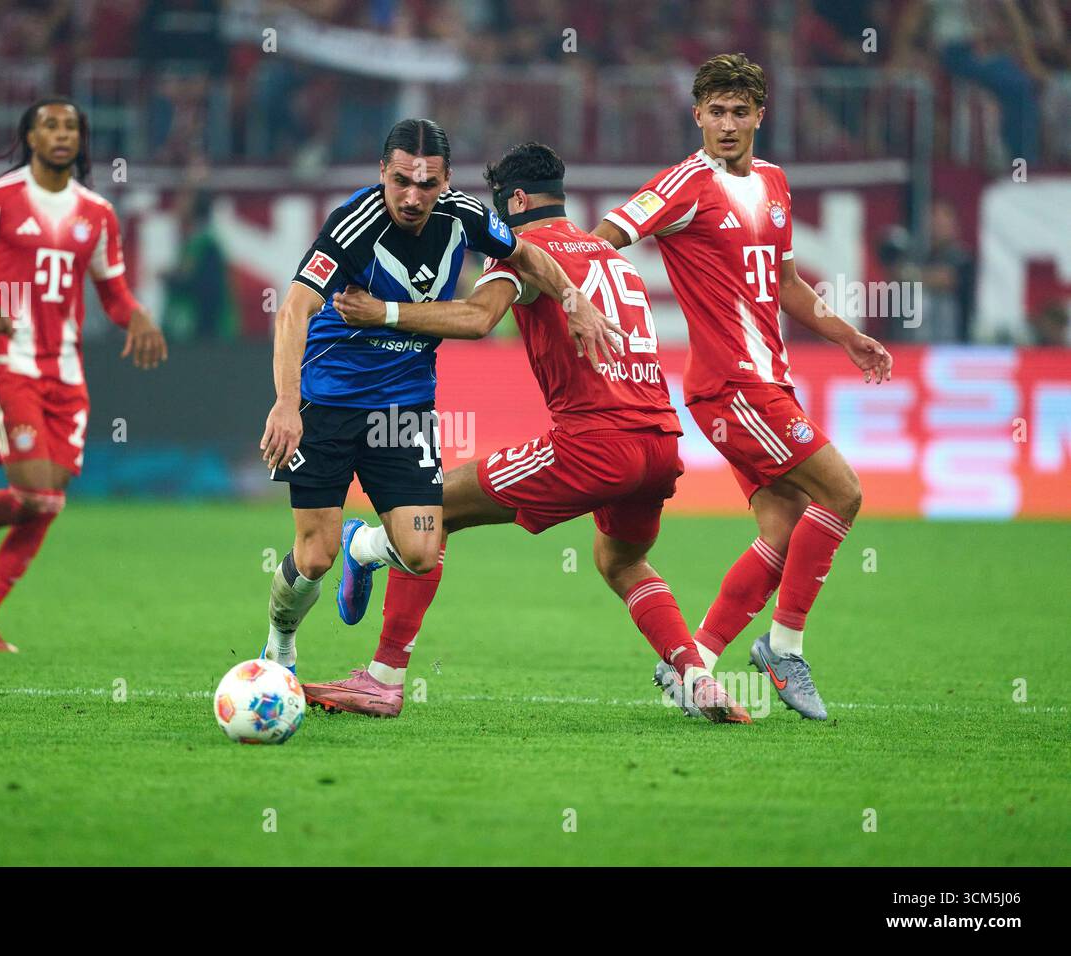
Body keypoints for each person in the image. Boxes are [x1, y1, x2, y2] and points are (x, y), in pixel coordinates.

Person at [299, 142, 749, 724]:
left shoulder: (523, 250)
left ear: (513, 199)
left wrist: (380, 312)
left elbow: (477, 319)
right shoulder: (612, 257)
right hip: (661, 444)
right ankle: (696, 677)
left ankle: (381, 671)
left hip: (594, 445)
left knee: (427, 511)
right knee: (622, 563)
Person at [592, 54, 893, 720]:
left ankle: (693, 663)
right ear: (697, 114)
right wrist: (575, 296)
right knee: (843, 493)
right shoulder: (681, 183)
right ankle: (784, 647)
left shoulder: (777, 184)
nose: (727, 124)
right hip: (732, 385)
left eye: (739, 111)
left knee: (785, 529)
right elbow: (602, 240)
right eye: (715, 112)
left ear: (760, 114)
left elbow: (784, 284)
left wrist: (847, 334)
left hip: (765, 381)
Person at [258, 119, 617, 676]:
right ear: (383, 173)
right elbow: (294, 309)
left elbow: (529, 257)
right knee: (312, 556)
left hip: (405, 406)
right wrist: (286, 404)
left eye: (427, 184)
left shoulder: (467, 217)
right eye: (401, 180)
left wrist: (573, 298)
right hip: (326, 402)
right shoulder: (354, 226)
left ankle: (363, 549)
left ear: (447, 180)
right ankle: (281, 643)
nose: (412, 196)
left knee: (422, 553)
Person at [0, 97, 168, 652]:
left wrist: (137, 318)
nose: (62, 133)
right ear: (29, 137)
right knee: (32, 493)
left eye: (71, 126)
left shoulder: (97, 213)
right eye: (50, 124)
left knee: (46, 502)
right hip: (9, 364)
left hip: (66, 372)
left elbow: (112, 294)